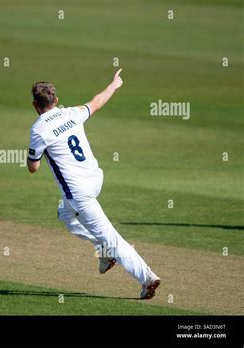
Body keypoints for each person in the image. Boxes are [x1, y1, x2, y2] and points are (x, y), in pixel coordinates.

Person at [27, 70, 161, 299]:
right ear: (55, 100)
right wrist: (114, 84)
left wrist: (38, 153)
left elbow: (33, 167)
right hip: (96, 178)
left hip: (79, 193)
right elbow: (97, 102)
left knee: (111, 236)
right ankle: (103, 251)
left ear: (34, 105)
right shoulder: (72, 113)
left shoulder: (38, 130)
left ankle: (147, 277)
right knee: (65, 215)